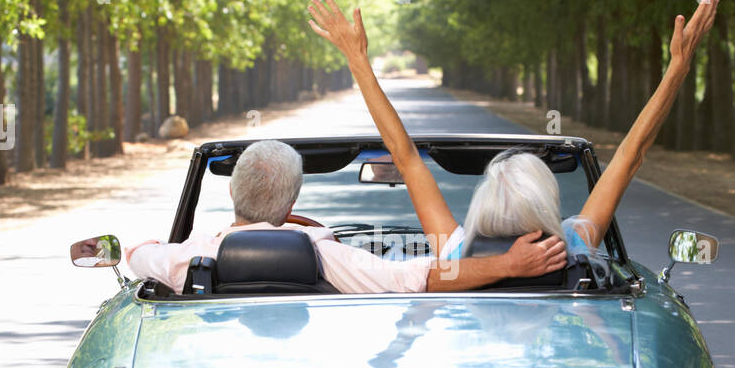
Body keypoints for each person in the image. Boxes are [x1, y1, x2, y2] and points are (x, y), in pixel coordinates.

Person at [306, 0, 719, 269]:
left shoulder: (457, 255)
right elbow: (632, 154)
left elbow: (404, 156)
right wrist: (678, 69)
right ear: (548, 204)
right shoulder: (574, 244)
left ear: (483, 208)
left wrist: (357, 59)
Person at [124, 138, 567, 294]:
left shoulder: (191, 257)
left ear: (234, 192)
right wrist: (509, 265)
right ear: (291, 204)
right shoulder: (326, 256)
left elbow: (138, 255)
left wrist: (150, 247)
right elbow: (422, 278)